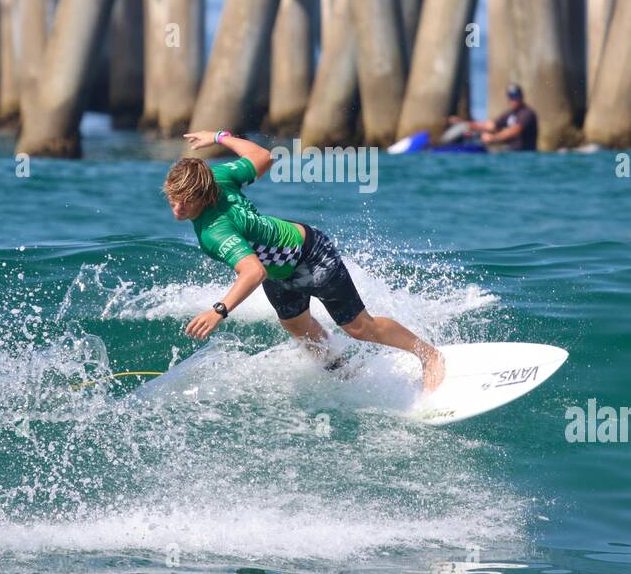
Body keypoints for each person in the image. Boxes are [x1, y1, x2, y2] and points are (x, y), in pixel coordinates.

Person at [163, 129, 446, 392]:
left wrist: (219, 310)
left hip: (310, 255)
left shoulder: (215, 229)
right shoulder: (217, 176)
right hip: (279, 272)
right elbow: (262, 157)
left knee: (359, 327)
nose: (177, 209)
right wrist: (219, 136)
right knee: (297, 325)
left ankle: (429, 355)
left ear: (203, 192)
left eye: (186, 201)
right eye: (173, 199)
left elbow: (252, 271)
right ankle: (344, 371)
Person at [449, 83, 537, 151]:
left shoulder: (527, 113)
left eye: (516, 96)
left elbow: (514, 131)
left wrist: (493, 138)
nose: (513, 100)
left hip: (524, 154)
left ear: (522, 97)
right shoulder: (509, 114)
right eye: (511, 96)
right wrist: (466, 124)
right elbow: (491, 125)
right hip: (509, 153)